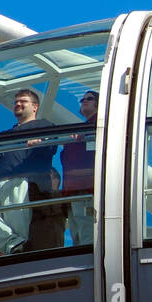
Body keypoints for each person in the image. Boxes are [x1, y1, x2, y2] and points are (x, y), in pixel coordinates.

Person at [0, 88, 55, 256]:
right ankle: (14, 244)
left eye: (23, 101)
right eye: (16, 101)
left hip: (20, 178)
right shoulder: (5, 134)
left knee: (18, 220)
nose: (18, 104)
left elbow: (51, 148)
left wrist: (40, 143)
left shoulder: (43, 126)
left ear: (35, 107)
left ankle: (23, 253)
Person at [60, 90, 97, 245]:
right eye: (82, 99)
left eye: (89, 98)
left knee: (85, 236)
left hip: (84, 189)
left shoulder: (98, 127)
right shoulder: (83, 130)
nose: (84, 101)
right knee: (79, 236)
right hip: (75, 191)